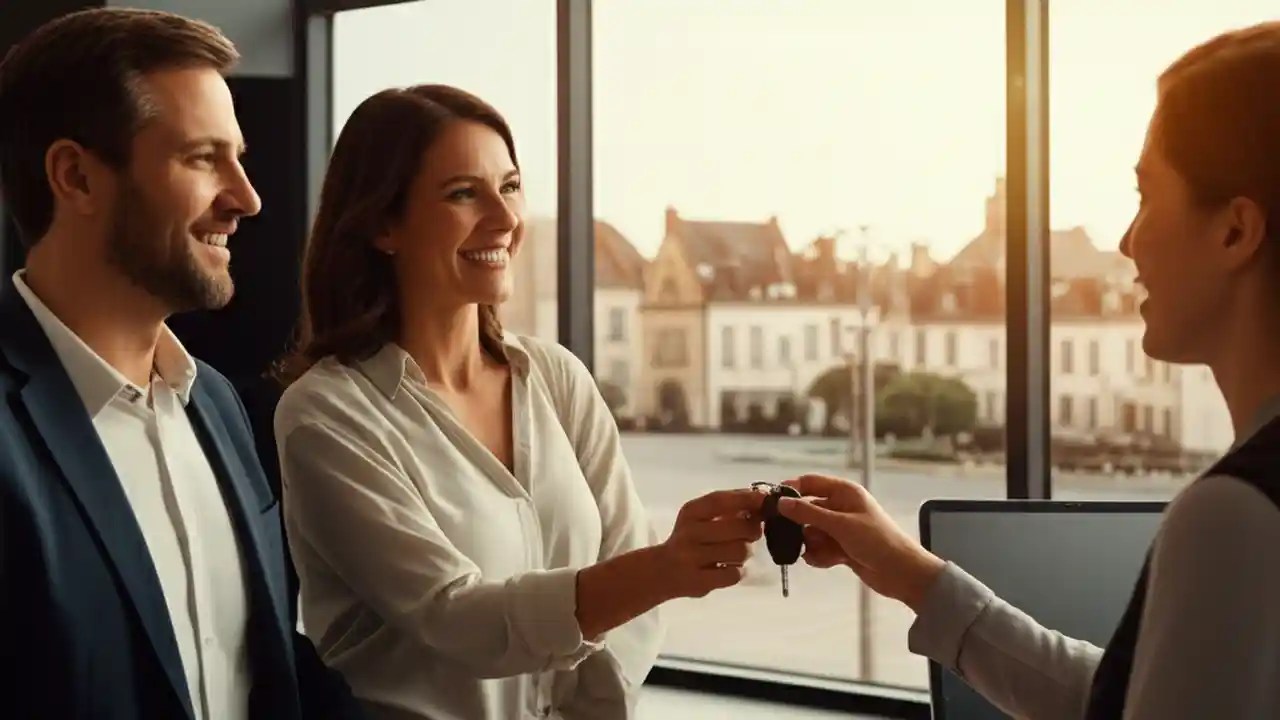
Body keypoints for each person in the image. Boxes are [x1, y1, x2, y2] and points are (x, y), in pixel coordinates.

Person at [776, 20, 1280, 720]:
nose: (1129, 241)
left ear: (1234, 230)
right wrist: (913, 576)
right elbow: (1125, 702)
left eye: (1144, 195)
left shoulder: (1235, 515)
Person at [272, 83, 763, 720]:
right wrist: (664, 568)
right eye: (462, 193)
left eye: (508, 187)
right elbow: (456, 617)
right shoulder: (328, 415)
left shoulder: (556, 378)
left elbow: (630, 585)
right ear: (382, 223)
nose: (504, 219)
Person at [0, 9, 363, 720]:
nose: (246, 198)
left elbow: (261, 664)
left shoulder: (218, 404)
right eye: (203, 158)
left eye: (239, 157)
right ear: (75, 177)